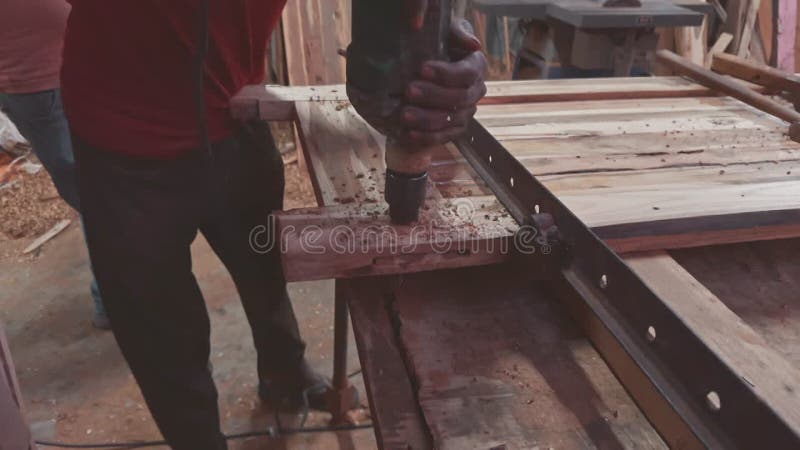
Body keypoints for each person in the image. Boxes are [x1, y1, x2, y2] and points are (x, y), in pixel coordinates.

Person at [60, 1, 487, 449]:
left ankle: (285, 375)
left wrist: (427, 46)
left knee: (264, 269)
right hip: (120, 142)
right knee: (162, 333)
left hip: (235, 114)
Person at [0, 0, 110, 329]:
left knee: (97, 190)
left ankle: (116, 296)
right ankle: (116, 300)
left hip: (45, 75)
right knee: (97, 194)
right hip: (42, 79)